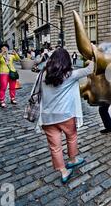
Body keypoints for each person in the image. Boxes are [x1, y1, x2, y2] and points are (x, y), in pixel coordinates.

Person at [37, 47, 95, 184]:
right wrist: (92, 55)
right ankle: (73, 160)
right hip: (65, 115)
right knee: (72, 137)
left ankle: (63, 171)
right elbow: (89, 69)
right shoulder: (69, 74)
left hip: (47, 117)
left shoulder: (43, 74)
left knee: (55, 146)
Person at [0, 43, 21, 108]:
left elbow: (18, 59)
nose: (4, 49)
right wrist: (1, 54)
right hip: (3, 73)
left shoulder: (11, 56)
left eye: (6, 48)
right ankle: (2, 101)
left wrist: (15, 54)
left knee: (12, 87)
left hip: (12, 72)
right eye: (3, 48)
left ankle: (13, 98)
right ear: (0, 49)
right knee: (3, 87)